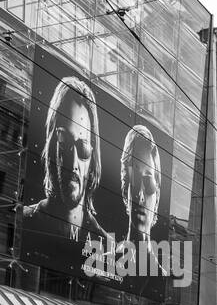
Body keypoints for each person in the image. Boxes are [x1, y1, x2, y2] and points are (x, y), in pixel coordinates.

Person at [21, 77, 105, 257]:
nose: (73, 162)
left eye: (82, 147)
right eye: (64, 139)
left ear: (92, 159)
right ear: (51, 145)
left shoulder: (106, 247)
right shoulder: (24, 220)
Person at [121, 124, 162, 246]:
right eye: (135, 180)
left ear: (157, 197)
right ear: (125, 191)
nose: (140, 196)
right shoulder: (105, 261)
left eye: (148, 182)